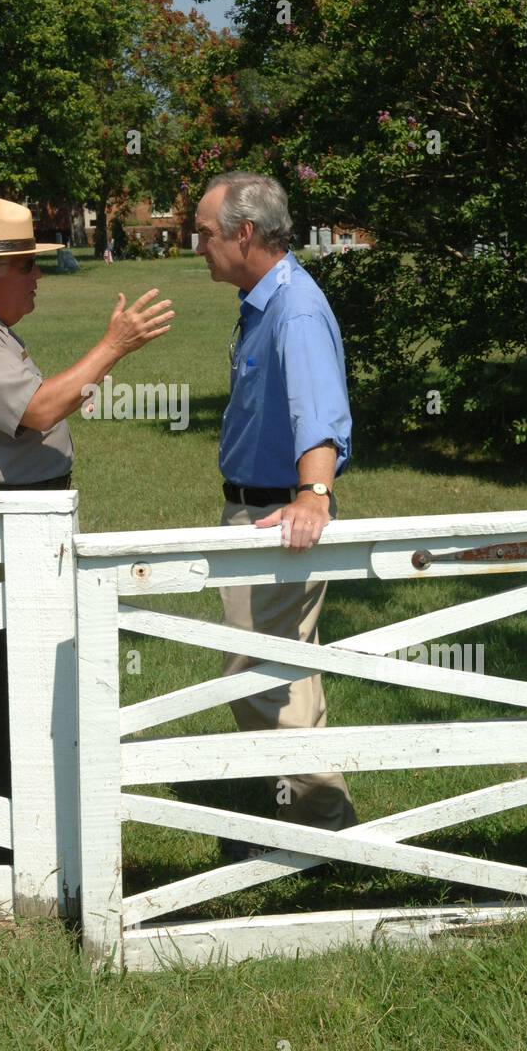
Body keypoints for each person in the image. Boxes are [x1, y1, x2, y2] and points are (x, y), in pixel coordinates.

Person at [0, 197, 173, 861]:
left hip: (12, 522)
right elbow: (37, 409)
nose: (37, 277)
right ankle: (2, 832)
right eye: (27, 266)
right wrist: (112, 347)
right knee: (8, 677)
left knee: (11, 671)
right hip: (2, 524)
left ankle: (11, 817)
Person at [194, 172, 357, 854]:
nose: (195, 244)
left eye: (203, 233)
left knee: (256, 673)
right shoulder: (262, 300)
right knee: (287, 671)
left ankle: (319, 823)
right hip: (258, 512)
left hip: (274, 522)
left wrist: (310, 498)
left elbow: (317, 414)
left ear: (243, 234)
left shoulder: (293, 308)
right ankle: (316, 820)